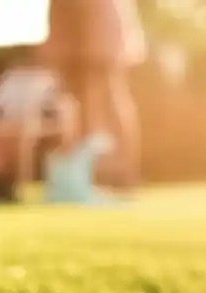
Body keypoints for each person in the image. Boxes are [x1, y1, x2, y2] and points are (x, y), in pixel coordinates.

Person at [43, 0, 147, 189]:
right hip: (82, 30)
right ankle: (93, 171)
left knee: (100, 98)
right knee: (85, 101)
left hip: (98, 29)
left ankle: (112, 171)